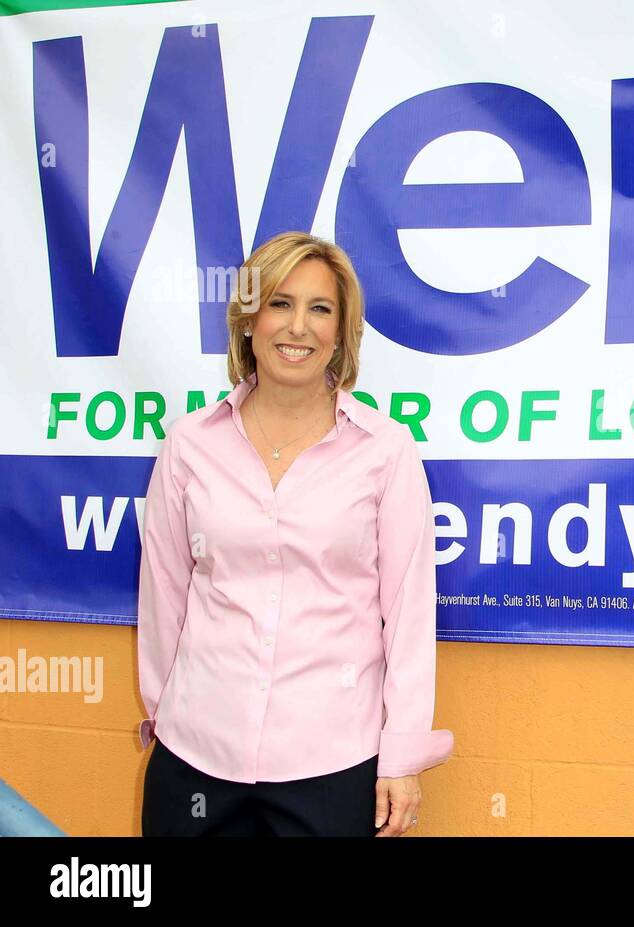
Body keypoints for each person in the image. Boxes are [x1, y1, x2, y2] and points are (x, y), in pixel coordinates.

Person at [136, 231, 453, 836]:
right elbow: (163, 596)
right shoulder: (189, 445)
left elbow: (408, 613)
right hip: (196, 756)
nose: (298, 327)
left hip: (332, 764)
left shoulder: (384, 452)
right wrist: (165, 712)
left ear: (341, 332)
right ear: (248, 318)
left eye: (320, 309)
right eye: (280, 303)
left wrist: (403, 755)